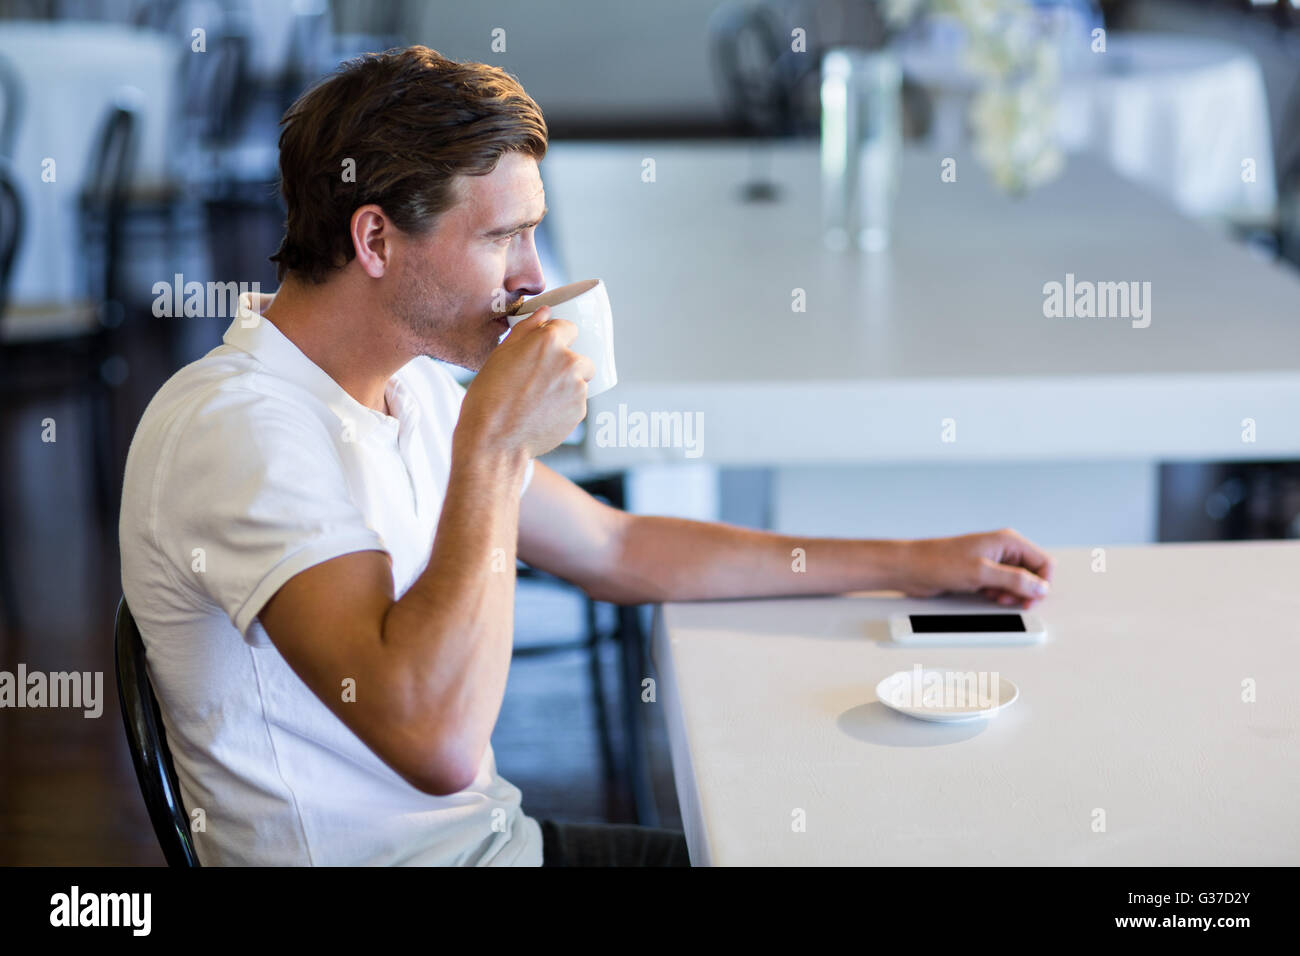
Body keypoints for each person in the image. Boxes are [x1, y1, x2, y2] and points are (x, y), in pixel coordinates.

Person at [119, 46, 1053, 867]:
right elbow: (437, 744)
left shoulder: (405, 388)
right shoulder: (241, 432)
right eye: (502, 237)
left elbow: (614, 546)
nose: (533, 275)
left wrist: (917, 562)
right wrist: (494, 443)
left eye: (534, 232)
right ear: (375, 238)